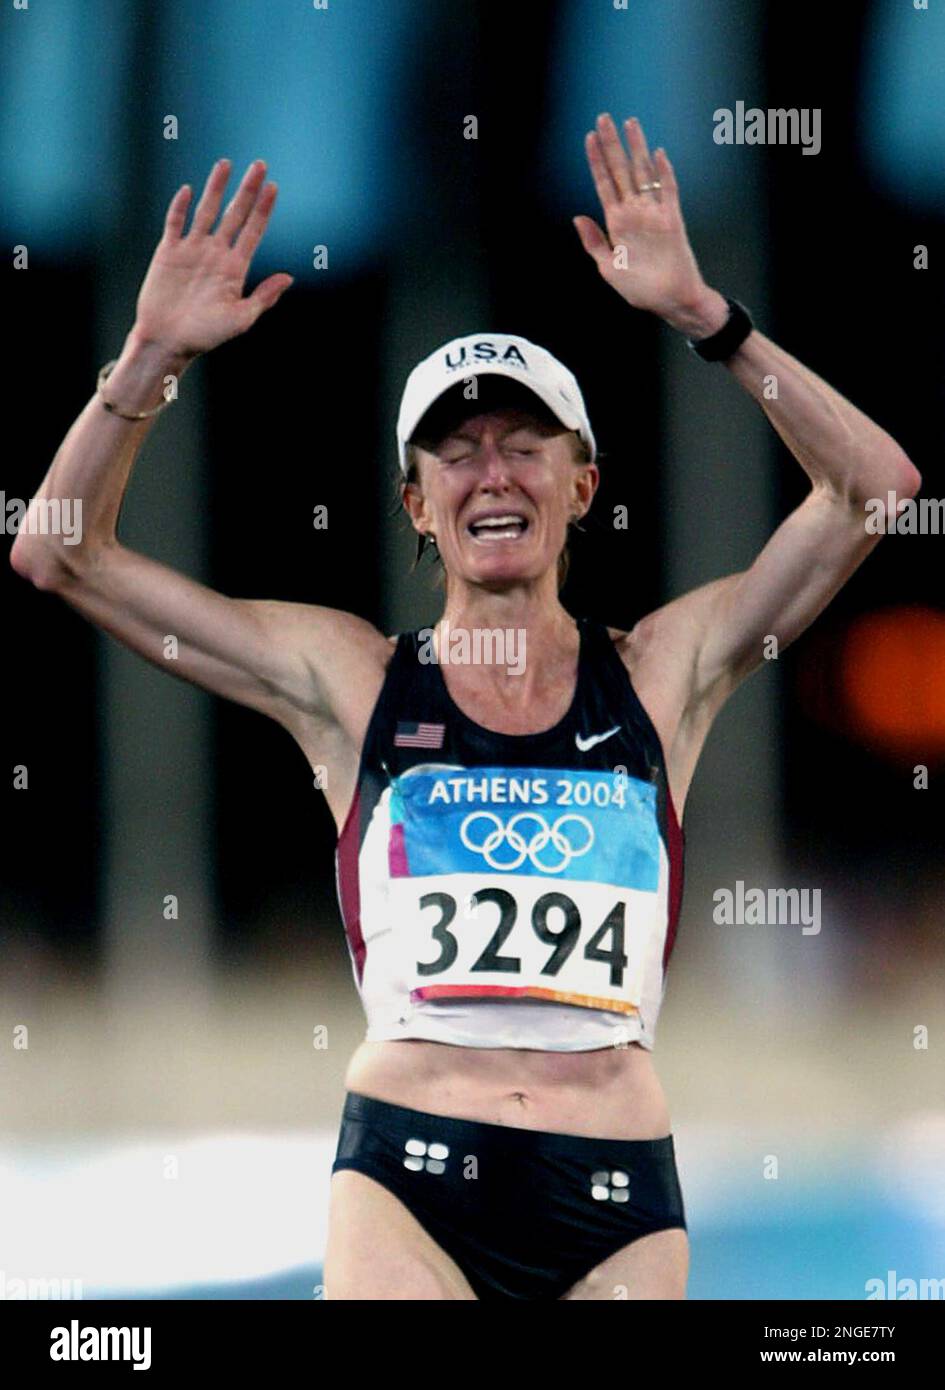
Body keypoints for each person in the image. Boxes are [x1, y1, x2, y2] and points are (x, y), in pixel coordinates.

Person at [10, 114, 920, 1301]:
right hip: (409, 1182)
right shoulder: (348, 679)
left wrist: (712, 320)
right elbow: (57, 553)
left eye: (524, 442)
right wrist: (145, 362)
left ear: (582, 483)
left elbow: (876, 491)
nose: (492, 471)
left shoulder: (659, 670)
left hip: (614, 1193)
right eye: (456, 452)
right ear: (417, 508)